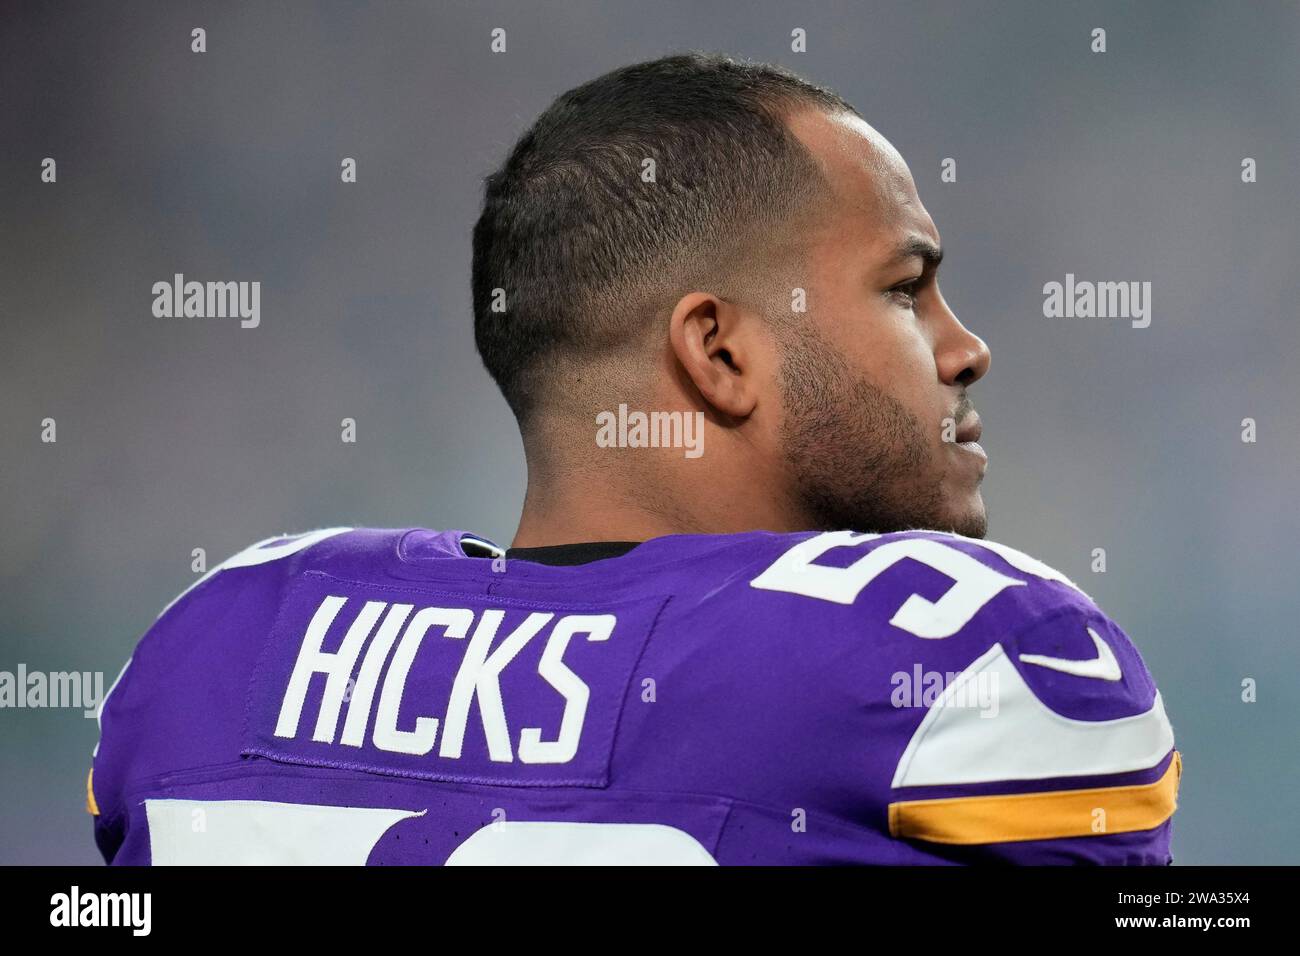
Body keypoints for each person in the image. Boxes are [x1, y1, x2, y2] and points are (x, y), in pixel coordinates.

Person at [90, 53, 1179, 865]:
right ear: (719, 350)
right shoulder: (968, 659)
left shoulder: (224, 644)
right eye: (904, 289)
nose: (966, 347)